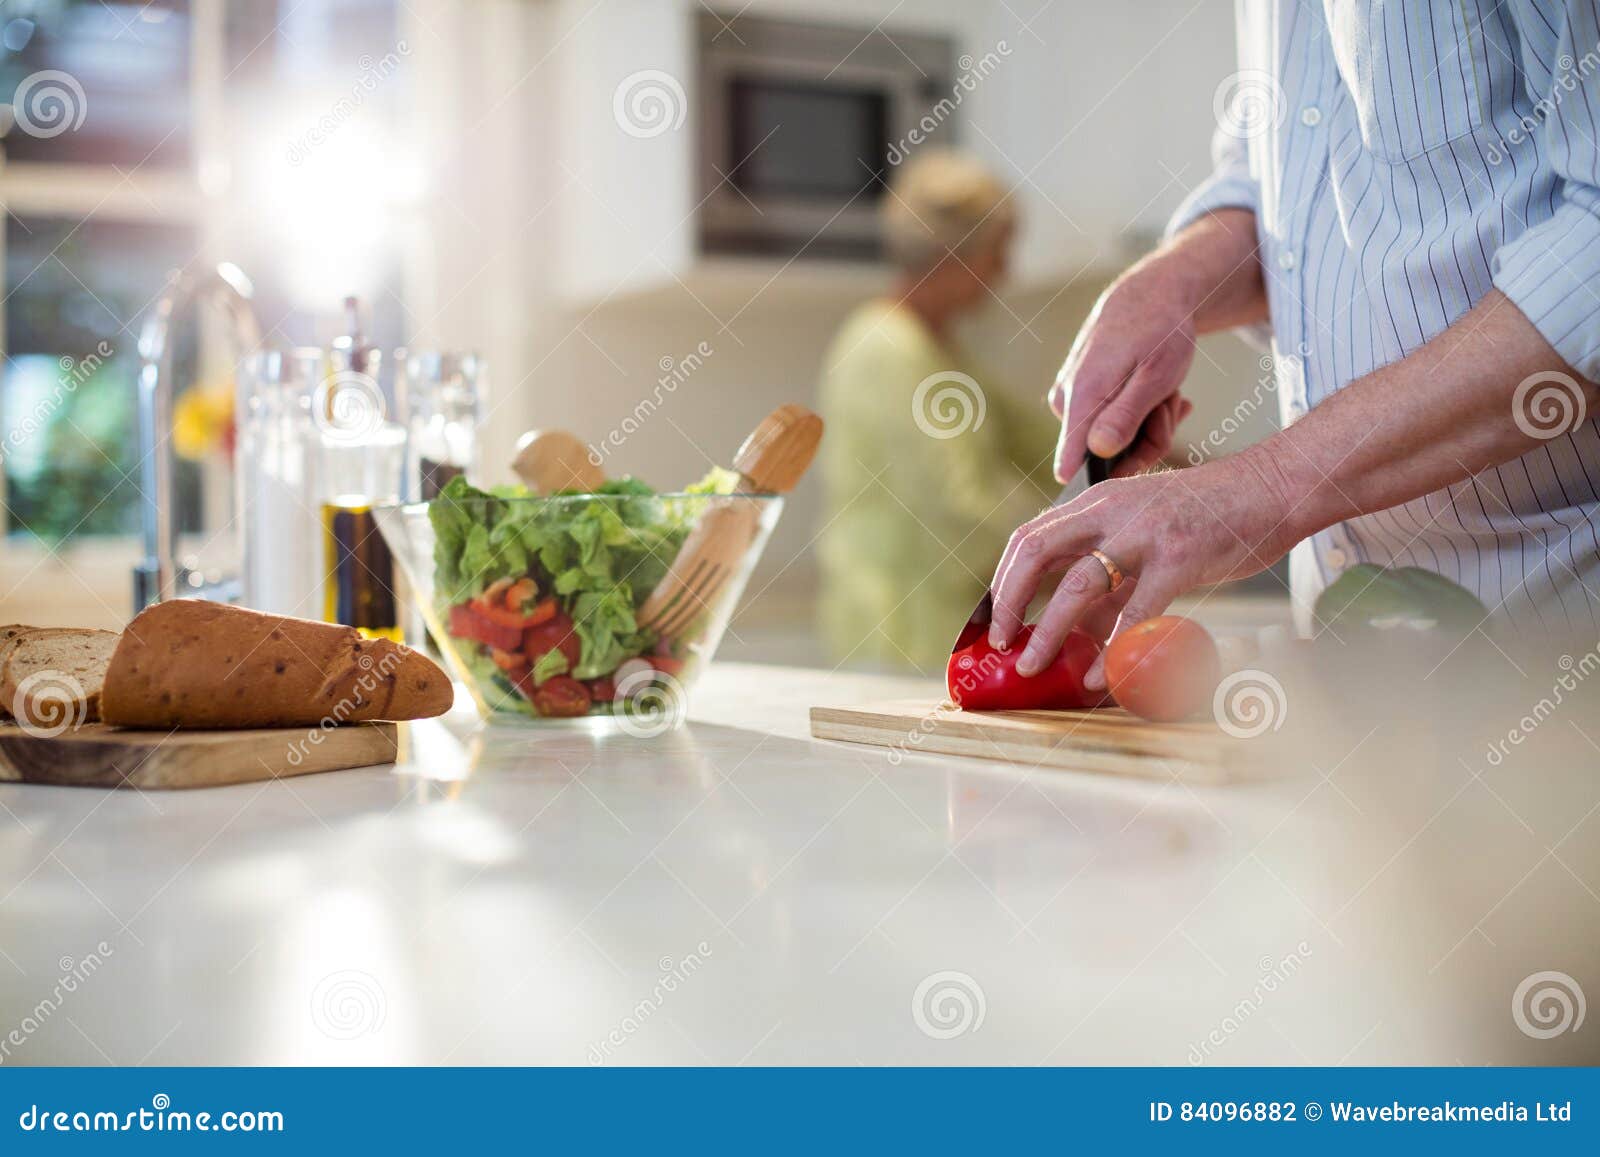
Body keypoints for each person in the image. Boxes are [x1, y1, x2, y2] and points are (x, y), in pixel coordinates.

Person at [990, 1, 1600, 689]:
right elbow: (1277, 191)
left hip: (1559, 644)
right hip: (1351, 661)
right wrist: (1173, 282)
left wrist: (1267, 486)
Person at [817, 150, 1078, 671]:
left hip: (938, 624)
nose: (1006, 272)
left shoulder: (940, 350)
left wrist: (1140, 460)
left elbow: (1043, 443)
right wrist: (1089, 562)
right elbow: (960, 512)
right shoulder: (888, 351)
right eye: (998, 253)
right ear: (954, 255)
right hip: (901, 631)